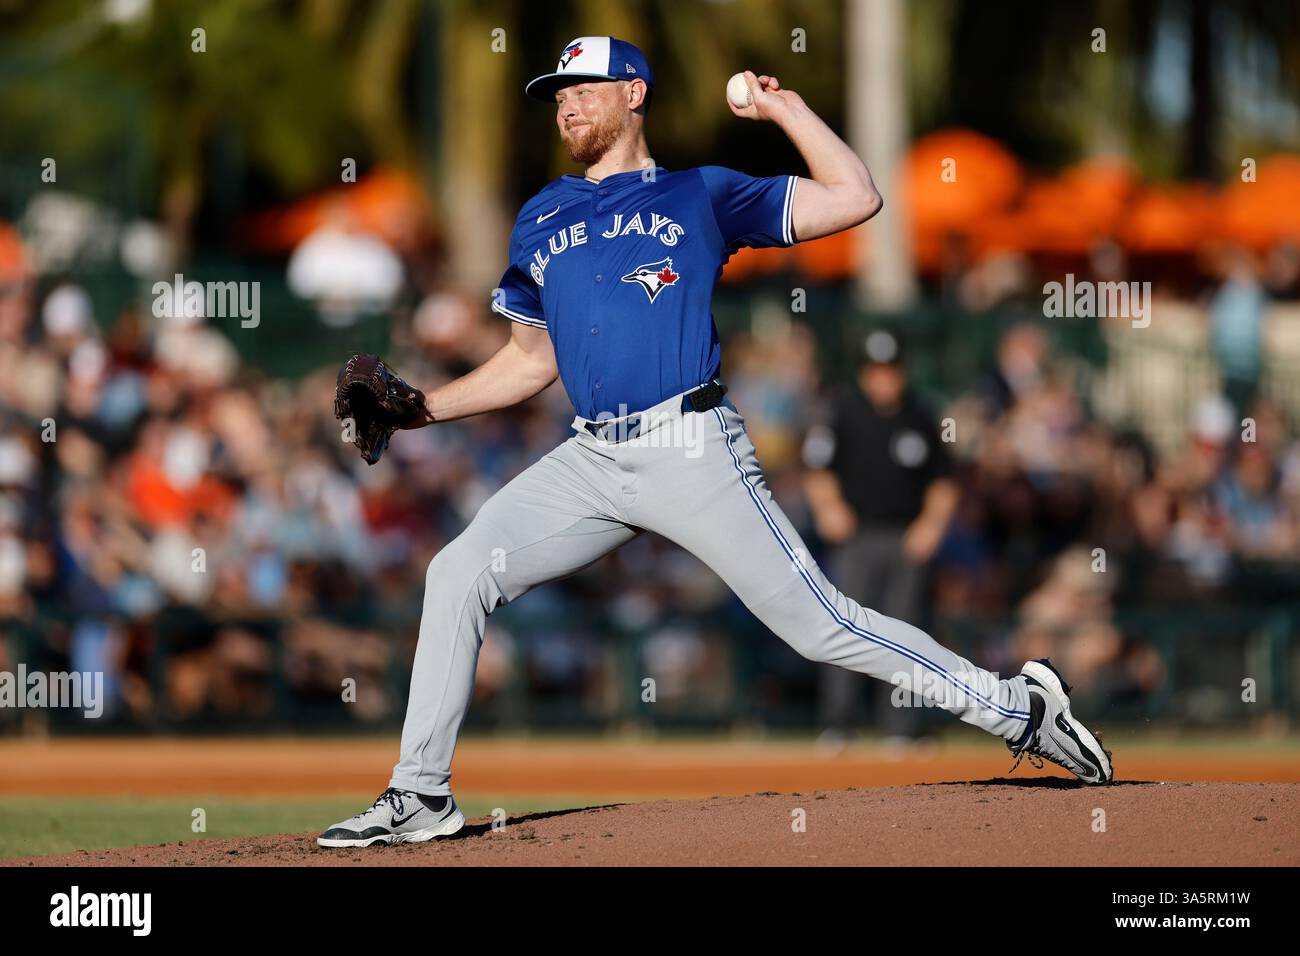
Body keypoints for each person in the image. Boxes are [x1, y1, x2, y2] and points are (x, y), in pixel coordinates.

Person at [318, 36, 1112, 848]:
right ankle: (419, 794)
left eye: (583, 89)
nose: (565, 104)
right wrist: (421, 409)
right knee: (456, 572)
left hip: (691, 443)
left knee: (819, 625)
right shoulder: (541, 215)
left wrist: (783, 108)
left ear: (634, 93)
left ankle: (1020, 708)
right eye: (557, 93)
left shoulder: (701, 194)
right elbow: (531, 362)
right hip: (591, 458)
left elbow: (856, 197)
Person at [803, 330, 957, 746]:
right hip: (856, 540)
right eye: (875, 371)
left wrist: (930, 527)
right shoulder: (842, 412)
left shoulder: (922, 416)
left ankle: (901, 727)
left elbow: (944, 482)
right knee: (844, 629)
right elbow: (816, 470)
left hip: (906, 539)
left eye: (890, 371)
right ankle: (839, 724)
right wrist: (829, 508)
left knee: (906, 632)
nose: (883, 380)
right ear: (864, 374)